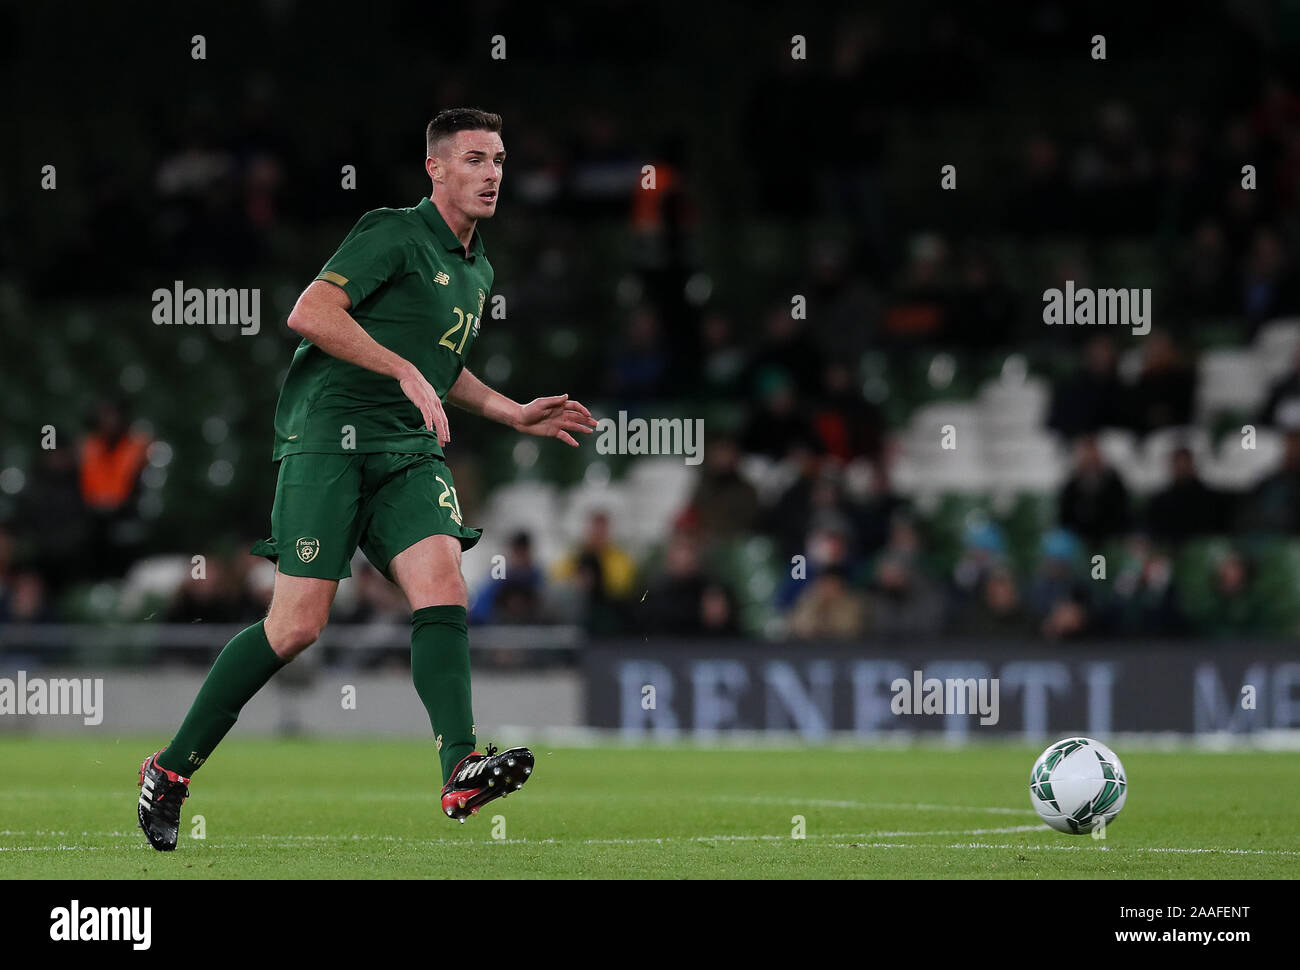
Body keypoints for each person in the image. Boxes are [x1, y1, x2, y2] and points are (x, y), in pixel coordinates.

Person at [137, 109, 598, 851]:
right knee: (296, 627)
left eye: (501, 160)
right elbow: (310, 312)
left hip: (407, 449)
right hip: (328, 439)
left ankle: (460, 767)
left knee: (443, 580)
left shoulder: (479, 268)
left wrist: (510, 411)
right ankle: (170, 769)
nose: (492, 174)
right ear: (437, 169)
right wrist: (402, 368)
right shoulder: (392, 232)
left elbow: (440, 366)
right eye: (475, 159)